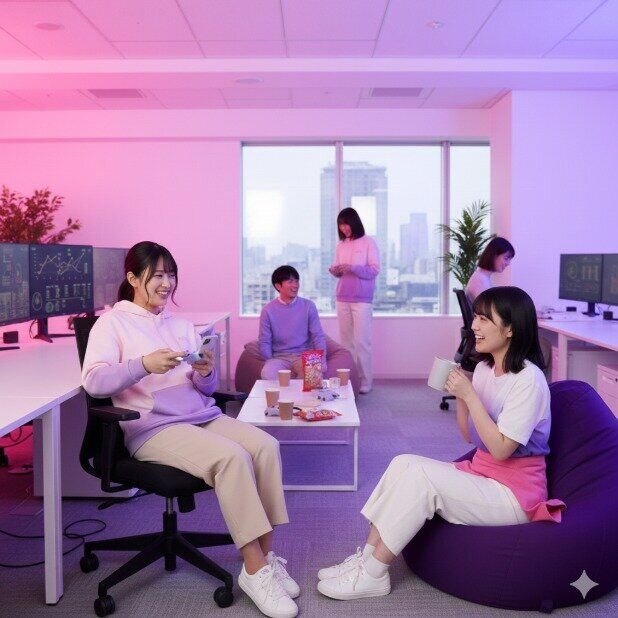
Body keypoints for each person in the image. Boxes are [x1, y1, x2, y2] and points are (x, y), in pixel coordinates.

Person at [82, 241, 299, 618]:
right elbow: (94, 383)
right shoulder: (111, 324)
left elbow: (206, 388)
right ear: (132, 278)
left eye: (171, 275)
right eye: (157, 275)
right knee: (232, 458)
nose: (167, 283)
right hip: (153, 428)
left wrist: (205, 373)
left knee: (266, 446)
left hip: (199, 415)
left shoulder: (181, 326)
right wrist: (143, 365)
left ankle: (266, 558)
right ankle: (253, 570)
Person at [317, 286, 564, 602]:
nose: (474, 325)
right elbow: (469, 435)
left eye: (484, 319)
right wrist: (461, 393)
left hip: (515, 496)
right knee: (403, 462)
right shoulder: (486, 369)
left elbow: (502, 449)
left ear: (511, 328)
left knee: (422, 479)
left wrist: (469, 395)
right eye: (475, 317)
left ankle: (375, 573)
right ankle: (365, 560)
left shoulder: (529, 381)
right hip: (483, 473)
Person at [329, 207, 380, 394]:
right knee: (346, 343)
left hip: (362, 300)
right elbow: (340, 269)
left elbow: (374, 270)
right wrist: (336, 270)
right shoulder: (341, 245)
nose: (344, 228)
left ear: (354, 222)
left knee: (362, 343)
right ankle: (350, 380)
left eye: (346, 224)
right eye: (341, 225)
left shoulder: (368, 242)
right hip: (342, 297)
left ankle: (366, 381)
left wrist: (353, 267)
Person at [259, 265, 327, 381]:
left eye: (296, 281)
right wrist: (269, 361)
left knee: (313, 375)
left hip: (305, 355)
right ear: (278, 286)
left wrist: (322, 360)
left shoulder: (308, 306)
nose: (295, 285)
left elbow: (318, 336)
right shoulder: (267, 310)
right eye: (290, 281)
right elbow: (264, 341)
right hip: (279, 357)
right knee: (267, 374)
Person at [465, 236, 515, 304]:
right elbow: (487, 308)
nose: (508, 263)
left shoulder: (482, 276)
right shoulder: (480, 280)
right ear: (494, 256)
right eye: (506, 258)